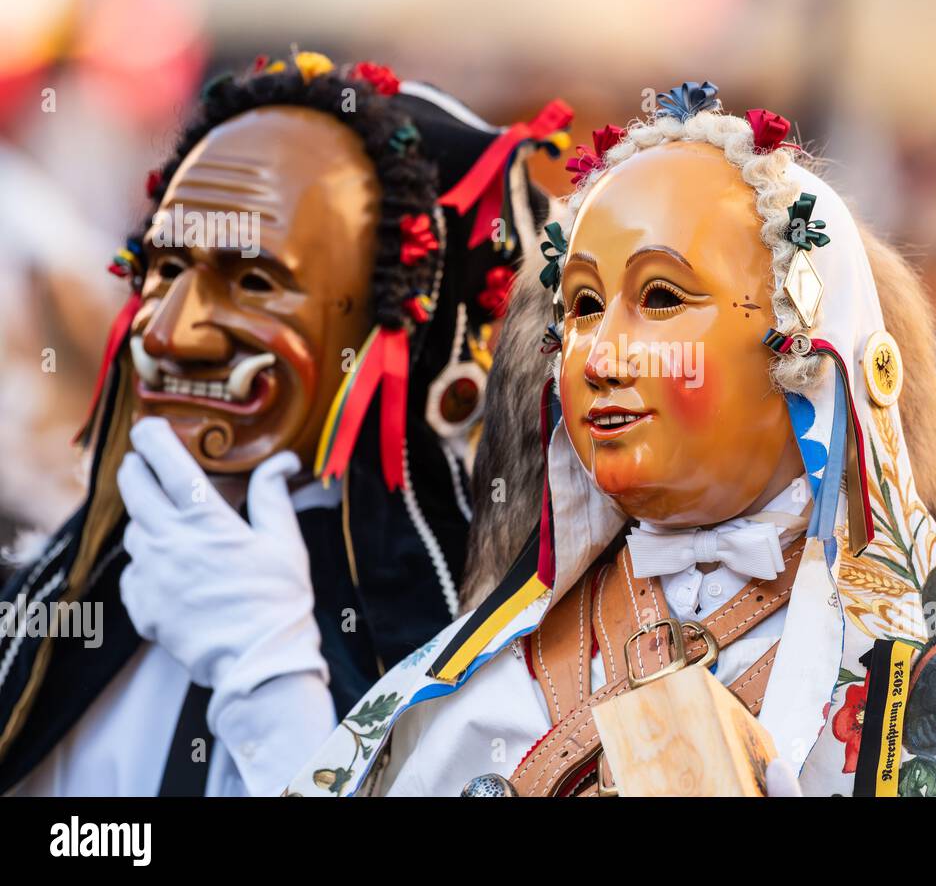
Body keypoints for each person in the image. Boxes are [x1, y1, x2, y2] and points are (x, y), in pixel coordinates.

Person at [287, 82, 936, 797]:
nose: (601, 355)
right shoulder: (473, 679)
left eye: (659, 298)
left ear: (801, 347)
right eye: (581, 307)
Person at [0, 52, 568, 796]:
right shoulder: (52, 617)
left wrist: (269, 685)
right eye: (165, 269)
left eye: (255, 281)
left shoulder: (504, 665)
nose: (173, 331)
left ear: (395, 327)